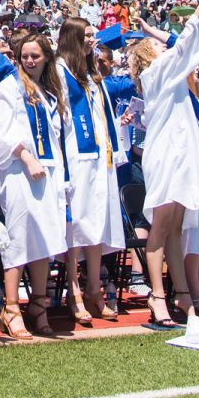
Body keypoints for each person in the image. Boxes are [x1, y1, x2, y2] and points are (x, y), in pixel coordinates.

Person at [126, 0, 199, 326]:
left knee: (177, 229)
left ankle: (182, 293)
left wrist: (151, 29)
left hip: (182, 154)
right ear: (147, 56)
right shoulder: (156, 74)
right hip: (166, 155)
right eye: (153, 45)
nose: (161, 45)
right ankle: (158, 294)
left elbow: (182, 48)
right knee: (161, 227)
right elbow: (181, 46)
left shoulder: (171, 73)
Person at [0, 27, 69, 339]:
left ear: (46, 57)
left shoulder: (48, 92)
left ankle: (38, 304)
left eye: (35, 56)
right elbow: (3, 131)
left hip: (46, 171)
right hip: (19, 172)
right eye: (25, 57)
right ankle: (11, 307)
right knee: (19, 237)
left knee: (44, 237)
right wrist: (25, 156)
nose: (30, 60)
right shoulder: (7, 89)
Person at [55, 16, 124, 325]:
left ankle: (95, 289)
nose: (93, 41)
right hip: (75, 155)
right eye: (87, 36)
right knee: (77, 223)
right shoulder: (59, 71)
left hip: (99, 155)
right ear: (72, 38)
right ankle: (74, 291)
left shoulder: (91, 72)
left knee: (98, 220)